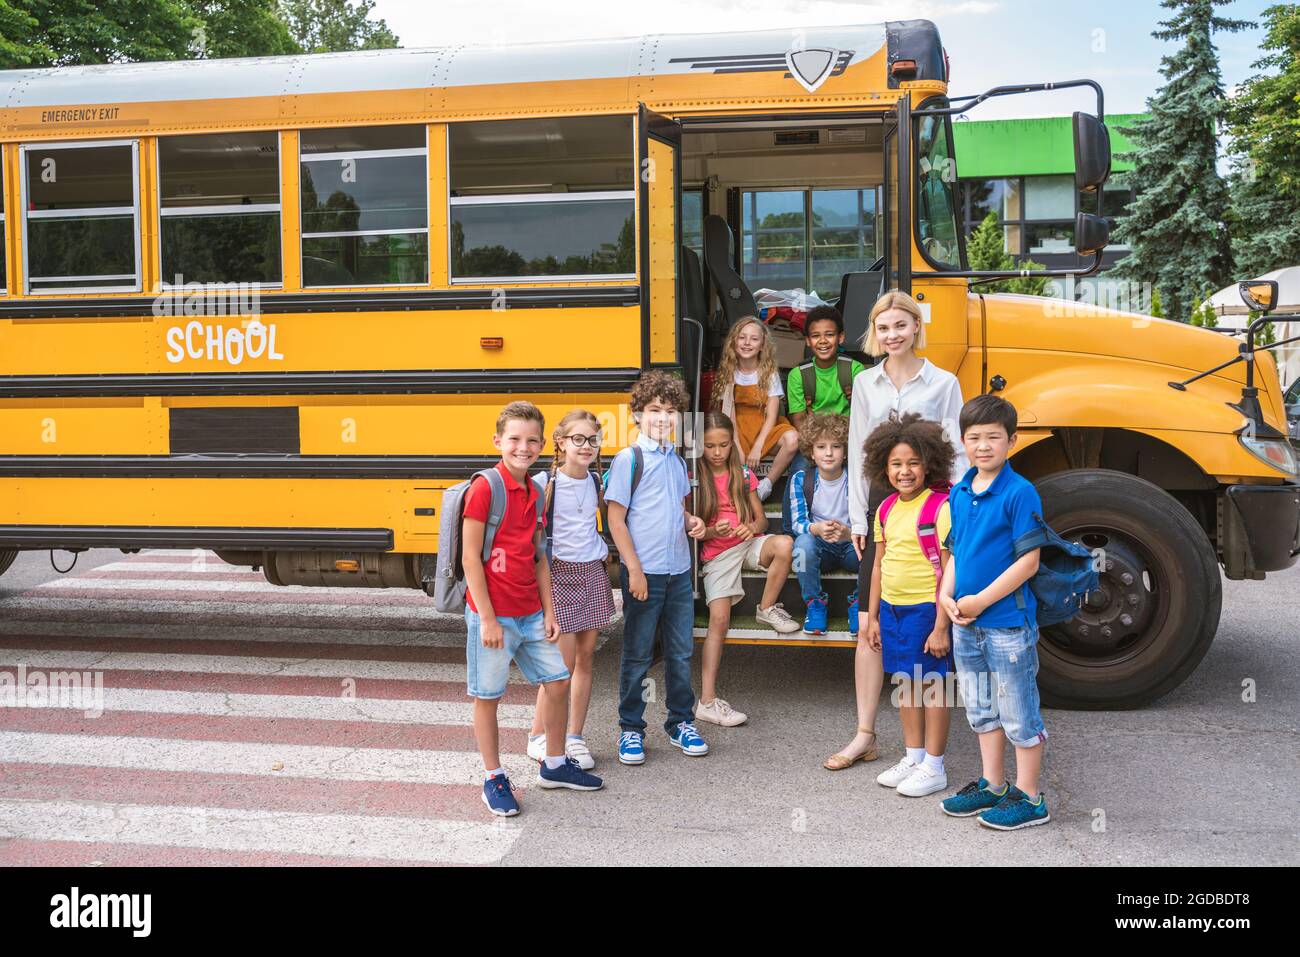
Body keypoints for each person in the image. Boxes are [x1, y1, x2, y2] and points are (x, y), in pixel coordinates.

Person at [838, 290, 967, 770]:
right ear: (875, 333)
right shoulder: (866, 383)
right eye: (884, 328)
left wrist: (960, 511)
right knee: (870, 620)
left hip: (933, 504)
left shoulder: (943, 381)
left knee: (934, 607)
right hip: (881, 501)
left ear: (916, 327)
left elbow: (955, 450)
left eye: (900, 326)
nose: (892, 336)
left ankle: (928, 751)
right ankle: (865, 732)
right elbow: (856, 451)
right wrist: (857, 518)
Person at [462, 401, 603, 817]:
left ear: (543, 444)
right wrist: (487, 617)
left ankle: (555, 764)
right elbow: (471, 558)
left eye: (531, 440)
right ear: (498, 442)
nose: (523, 447)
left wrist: (550, 612)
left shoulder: (537, 490)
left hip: (530, 611)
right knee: (489, 696)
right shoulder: (486, 487)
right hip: (495, 614)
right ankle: (493, 777)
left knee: (558, 682)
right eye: (514, 440)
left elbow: (540, 555)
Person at [939, 394, 1050, 830]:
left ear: (1012, 440)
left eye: (993, 438)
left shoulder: (1021, 492)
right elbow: (955, 553)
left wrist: (981, 601)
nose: (983, 446)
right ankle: (993, 784)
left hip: (1005, 624)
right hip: (965, 622)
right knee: (982, 708)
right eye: (974, 438)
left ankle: (1031, 797)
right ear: (962, 441)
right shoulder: (961, 489)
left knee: (1019, 712)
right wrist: (947, 599)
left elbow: (1029, 562)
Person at [605, 370, 709, 765]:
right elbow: (617, 519)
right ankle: (631, 728)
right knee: (637, 653)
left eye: (669, 411)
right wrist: (632, 570)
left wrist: (691, 522)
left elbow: (675, 510)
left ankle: (680, 721)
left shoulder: (676, 461)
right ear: (636, 415)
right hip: (645, 572)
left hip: (679, 570)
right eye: (654, 410)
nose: (662, 418)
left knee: (681, 653)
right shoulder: (629, 459)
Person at [854, 413, 955, 797]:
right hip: (892, 611)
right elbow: (878, 564)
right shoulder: (885, 509)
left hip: (927, 611)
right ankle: (914, 757)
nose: (905, 471)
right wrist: (874, 616)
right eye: (896, 463)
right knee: (906, 685)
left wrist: (941, 626)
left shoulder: (940, 507)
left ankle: (935, 765)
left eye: (913, 462)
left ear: (929, 464)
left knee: (934, 687)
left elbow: (950, 570)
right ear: (884, 466)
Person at [695, 412, 800, 726]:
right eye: (710, 446)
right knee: (719, 620)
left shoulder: (742, 474)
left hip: (747, 543)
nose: (717, 452)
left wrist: (748, 527)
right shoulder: (697, 477)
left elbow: (762, 520)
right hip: (717, 554)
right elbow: (696, 531)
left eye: (723, 445)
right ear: (700, 445)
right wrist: (715, 532)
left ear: (732, 444)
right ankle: (708, 700)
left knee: (784, 544)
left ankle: (766, 607)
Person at [525, 409, 615, 771]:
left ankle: (575, 736)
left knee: (586, 659)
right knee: (558, 667)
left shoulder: (596, 482)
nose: (586, 446)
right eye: (578, 439)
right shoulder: (544, 482)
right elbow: (532, 538)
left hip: (591, 570)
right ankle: (539, 735)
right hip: (558, 574)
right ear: (560, 443)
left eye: (592, 439)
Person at [781, 305, 866, 534]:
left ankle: (860, 529)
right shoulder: (799, 374)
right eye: (816, 336)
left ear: (841, 337)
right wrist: (813, 449)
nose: (823, 341)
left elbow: (862, 413)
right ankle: (790, 534)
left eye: (829, 334)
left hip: (848, 440)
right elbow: (798, 419)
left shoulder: (854, 370)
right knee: (798, 472)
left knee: (863, 475)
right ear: (807, 341)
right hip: (814, 441)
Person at [787, 413, 860, 637]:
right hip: (821, 548)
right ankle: (815, 603)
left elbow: (869, 519)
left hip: (851, 546)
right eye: (821, 446)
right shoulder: (801, 478)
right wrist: (815, 529)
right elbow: (797, 523)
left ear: (845, 451)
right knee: (800, 546)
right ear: (811, 451)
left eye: (836, 446)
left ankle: (860, 603)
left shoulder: (855, 478)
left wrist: (850, 533)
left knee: (876, 546)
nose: (828, 453)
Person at [711, 316, 799, 501]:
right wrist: (738, 446)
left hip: (765, 429)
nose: (747, 343)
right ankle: (739, 489)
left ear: (762, 345)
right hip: (737, 428)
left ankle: (766, 485)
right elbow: (729, 415)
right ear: (734, 342)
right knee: (731, 451)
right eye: (742, 337)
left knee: (792, 439)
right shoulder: (728, 372)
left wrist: (758, 447)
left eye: (754, 338)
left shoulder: (769, 373)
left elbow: (772, 416)